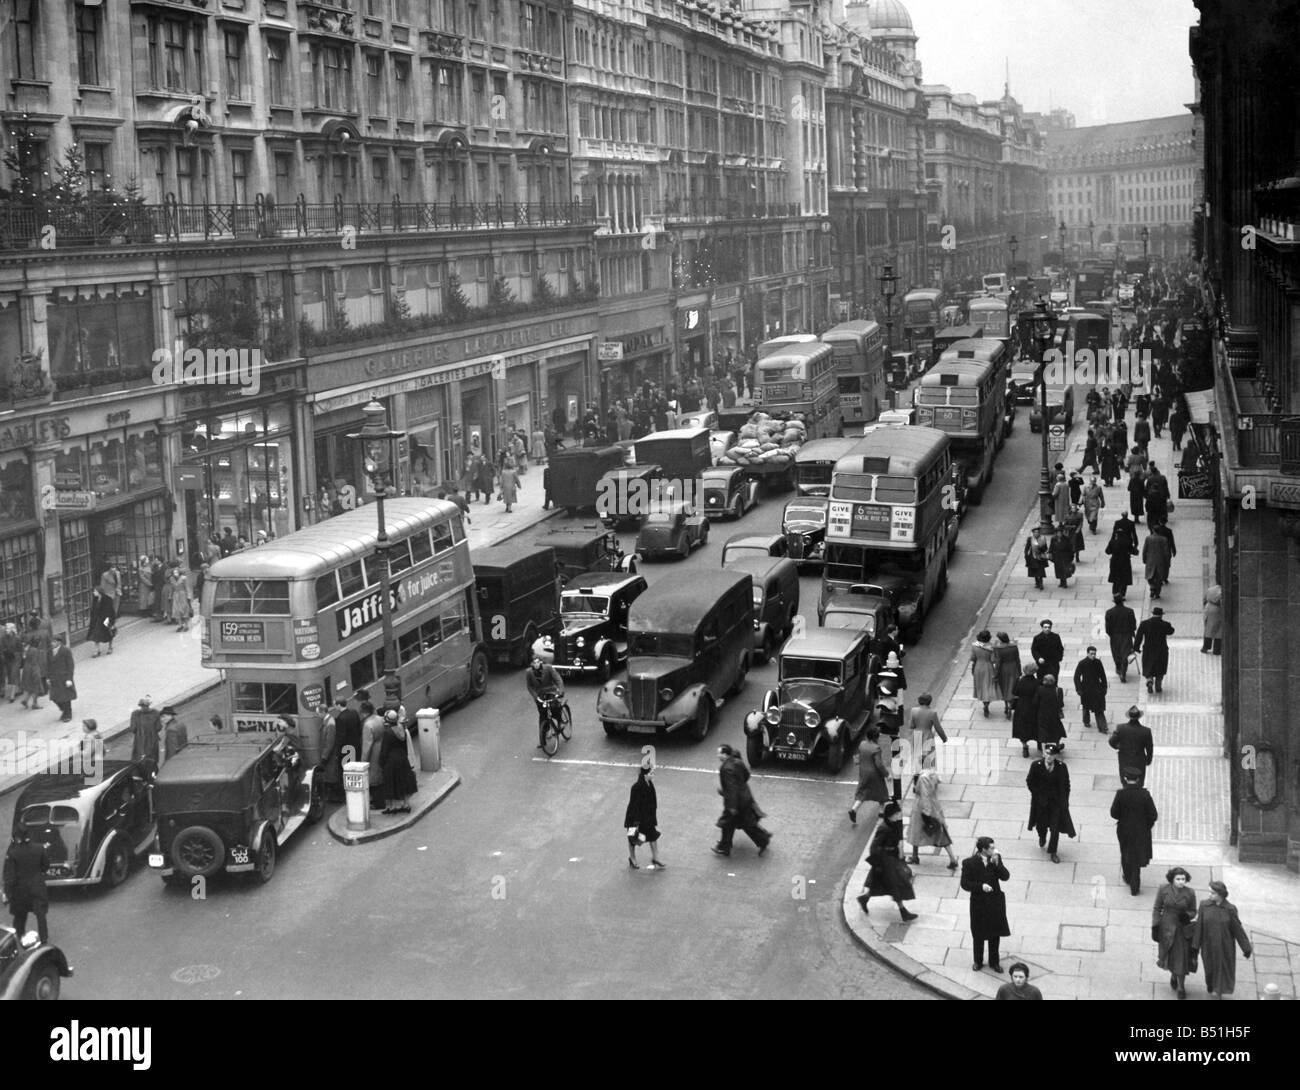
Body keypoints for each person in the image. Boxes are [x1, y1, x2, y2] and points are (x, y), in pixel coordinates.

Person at [855, 802, 917, 920]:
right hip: (885, 861)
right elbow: (874, 847)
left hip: (891, 859)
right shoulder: (884, 828)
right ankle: (903, 912)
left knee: (884, 885)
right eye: (897, 813)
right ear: (891, 815)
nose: (899, 815)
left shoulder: (893, 825)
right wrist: (878, 863)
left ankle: (864, 898)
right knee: (895, 885)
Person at [1192, 881, 1253, 999]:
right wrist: (1195, 947)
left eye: (1213, 893)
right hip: (1208, 945)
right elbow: (1199, 927)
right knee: (1209, 969)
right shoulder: (1204, 905)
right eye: (1210, 892)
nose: (1210, 895)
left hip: (1225, 947)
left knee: (1221, 970)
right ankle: (1211, 985)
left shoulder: (1230, 909)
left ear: (1221, 894)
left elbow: (1237, 929)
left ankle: (1218, 992)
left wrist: (1246, 948)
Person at [961, 836, 1011, 973]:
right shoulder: (969, 863)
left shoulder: (995, 859)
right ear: (983, 850)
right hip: (979, 903)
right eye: (992, 848)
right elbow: (965, 884)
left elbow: (1005, 876)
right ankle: (978, 961)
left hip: (994, 902)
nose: (994, 850)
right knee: (978, 933)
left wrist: (997, 864)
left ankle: (994, 962)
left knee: (995, 933)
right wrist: (981, 886)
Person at [713, 744, 771, 856]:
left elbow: (732, 789)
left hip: (736, 803)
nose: (718, 755)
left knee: (732, 824)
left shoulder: (726, 769)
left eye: (719, 753)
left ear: (725, 755)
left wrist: (732, 806)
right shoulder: (737, 761)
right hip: (744, 798)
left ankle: (763, 839)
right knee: (734, 824)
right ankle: (725, 846)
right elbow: (746, 775)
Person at [1152, 866, 1198, 999]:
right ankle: (1173, 974)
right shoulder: (1163, 889)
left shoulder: (1190, 893)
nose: (1181, 882)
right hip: (1166, 928)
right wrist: (1155, 926)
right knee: (1169, 955)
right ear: (1172, 879)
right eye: (1178, 879)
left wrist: (1188, 915)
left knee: (1181, 958)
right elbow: (1157, 908)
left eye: (1183, 879)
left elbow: (1193, 911)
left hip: (1181, 930)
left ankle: (1181, 987)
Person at [1111, 768, 1158, 895]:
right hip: (1141, 831)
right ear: (1138, 780)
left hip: (1124, 830)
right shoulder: (1145, 795)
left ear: (1126, 779)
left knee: (1125, 851)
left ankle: (1127, 876)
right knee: (1137, 856)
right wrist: (1147, 825)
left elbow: (1113, 813)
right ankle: (1135, 885)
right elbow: (1153, 815)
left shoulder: (1121, 794)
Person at [1026, 743, 1075, 863]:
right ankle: (1042, 836)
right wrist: (1037, 794)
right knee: (1041, 825)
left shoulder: (1062, 767)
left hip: (1056, 803)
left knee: (1055, 829)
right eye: (1047, 753)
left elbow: (1066, 785)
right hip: (1041, 803)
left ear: (1056, 756)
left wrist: (1065, 800)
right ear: (1044, 753)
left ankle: (1053, 851)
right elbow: (1030, 782)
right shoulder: (1036, 765)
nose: (1049, 756)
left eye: (1052, 754)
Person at [2, 827, 50, 944]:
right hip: (37, 886)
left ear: (17, 837)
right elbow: (46, 866)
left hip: (20, 890)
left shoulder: (13, 853)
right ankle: (44, 938)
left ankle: (19, 937)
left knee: (20, 915)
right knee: (40, 914)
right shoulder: (39, 848)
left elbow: (10, 877)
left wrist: (7, 893)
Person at [907, 768, 958, 870]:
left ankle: (915, 856)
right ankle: (952, 858)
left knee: (915, 832)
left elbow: (924, 796)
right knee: (941, 832)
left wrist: (926, 813)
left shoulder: (922, 778)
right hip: (935, 805)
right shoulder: (933, 774)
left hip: (921, 808)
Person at [624, 754, 664, 870]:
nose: (653, 775)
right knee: (633, 840)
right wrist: (635, 823)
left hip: (648, 818)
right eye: (651, 773)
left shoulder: (649, 784)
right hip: (637, 819)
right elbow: (633, 806)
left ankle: (656, 857)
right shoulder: (636, 788)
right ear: (645, 775)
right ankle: (632, 858)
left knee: (653, 836)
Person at [848, 724, 889, 828]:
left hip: (863, 773)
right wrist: (887, 774)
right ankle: (881, 813)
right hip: (874, 774)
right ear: (876, 737)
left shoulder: (862, 744)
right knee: (881, 792)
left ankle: (854, 809)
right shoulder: (876, 748)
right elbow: (879, 764)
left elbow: (859, 756)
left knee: (862, 792)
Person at [379, 710, 417, 814]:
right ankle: (406, 804)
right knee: (403, 782)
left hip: (391, 761)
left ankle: (392, 807)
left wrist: (381, 762)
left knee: (391, 783)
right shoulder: (402, 731)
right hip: (402, 759)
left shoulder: (388, 733)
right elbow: (404, 747)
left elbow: (384, 750)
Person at [525, 654, 566, 750]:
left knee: (555, 708)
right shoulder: (529, 673)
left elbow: (558, 679)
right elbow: (529, 686)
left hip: (551, 691)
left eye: (538, 662)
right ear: (532, 664)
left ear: (540, 662)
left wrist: (560, 691)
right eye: (534, 662)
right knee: (543, 716)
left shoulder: (548, 668)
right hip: (540, 695)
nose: (536, 664)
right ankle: (542, 741)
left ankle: (560, 722)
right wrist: (536, 697)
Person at [906, 693, 947, 782]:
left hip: (916, 736)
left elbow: (911, 725)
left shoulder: (913, 711)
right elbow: (938, 727)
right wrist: (944, 738)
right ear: (929, 702)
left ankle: (916, 779)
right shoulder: (932, 713)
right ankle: (928, 778)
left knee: (917, 758)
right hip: (928, 737)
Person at [1109, 705, 1154, 786]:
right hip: (1139, 761)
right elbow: (1149, 748)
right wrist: (1148, 760)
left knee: (1125, 781)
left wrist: (1119, 747)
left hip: (1124, 759)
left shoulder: (1120, 728)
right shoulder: (1146, 731)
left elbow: (1111, 742)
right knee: (1139, 782)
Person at [1134, 606, 1175, 694]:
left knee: (1149, 666)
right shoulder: (1165, 624)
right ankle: (1158, 686)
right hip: (1161, 650)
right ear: (1161, 615)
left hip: (1148, 650)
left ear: (1153, 614)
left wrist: (1136, 648)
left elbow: (1138, 637)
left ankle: (1149, 680)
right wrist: (1168, 625)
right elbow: (1171, 631)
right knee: (1160, 668)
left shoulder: (1144, 624)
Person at [1072, 645, 1109, 734]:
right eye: (1091, 654)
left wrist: (1104, 687)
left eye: (1094, 654)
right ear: (1087, 653)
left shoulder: (1098, 663)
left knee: (1099, 709)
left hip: (1097, 689)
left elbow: (1103, 676)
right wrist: (1079, 689)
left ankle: (1103, 727)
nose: (1093, 655)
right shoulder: (1082, 663)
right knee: (1085, 707)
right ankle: (1086, 721)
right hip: (1086, 689)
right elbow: (1076, 677)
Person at [1105, 593, 1138, 682]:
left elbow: (1108, 628)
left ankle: (1118, 667)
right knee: (1126, 654)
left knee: (1116, 652)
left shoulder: (1109, 612)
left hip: (1115, 636)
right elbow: (1133, 625)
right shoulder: (1129, 611)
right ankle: (1123, 672)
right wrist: (1132, 632)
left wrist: (1111, 635)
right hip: (1126, 635)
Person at [1106, 514, 1139, 599]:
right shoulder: (1127, 542)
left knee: (1115, 577)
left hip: (1115, 561)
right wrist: (1135, 549)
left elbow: (1107, 551)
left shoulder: (1112, 542)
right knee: (1124, 578)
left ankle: (1115, 593)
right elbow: (1134, 552)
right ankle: (1122, 594)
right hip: (1125, 561)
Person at [1011, 663, 1040, 758]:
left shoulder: (1020, 681)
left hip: (1021, 706)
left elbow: (1014, 692)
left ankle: (1024, 747)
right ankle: (1039, 744)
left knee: (1022, 727)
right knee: (1035, 726)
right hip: (1034, 707)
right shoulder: (1037, 682)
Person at [318, 700, 343, 803]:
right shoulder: (328, 721)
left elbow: (330, 743)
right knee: (330, 777)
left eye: (318, 713)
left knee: (333, 777)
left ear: (323, 712)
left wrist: (324, 757)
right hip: (330, 756)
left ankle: (337, 797)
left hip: (331, 756)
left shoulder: (330, 724)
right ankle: (334, 796)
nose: (318, 715)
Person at [47, 634, 76, 723]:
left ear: (59, 642)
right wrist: (48, 677)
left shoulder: (65, 650)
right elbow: (48, 665)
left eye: (54, 641)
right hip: (54, 678)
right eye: (51, 641)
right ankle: (63, 709)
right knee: (54, 697)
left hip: (64, 677)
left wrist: (69, 678)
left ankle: (68, 713)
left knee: (66, 697)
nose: (52, 643)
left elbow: (70, 665)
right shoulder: (49, 652)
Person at [969, 631, 998, 718]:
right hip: (988, 668)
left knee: (980, 686)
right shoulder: (991, 647)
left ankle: (984, 702)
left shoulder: (974, 646)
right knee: (988, 686)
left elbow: (972, 658)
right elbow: (993, 660)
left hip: (978, 667)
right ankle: (987, 703)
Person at [993, 633, 1022, 720]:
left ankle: (1006, 705)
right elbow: (1017, 659)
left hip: (1004, 669)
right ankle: (1010, 705)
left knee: (1004, 687)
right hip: (1013, 668)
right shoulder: (1014, 647)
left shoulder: (999, 649)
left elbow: (998, 663)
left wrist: (995, 674)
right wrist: (1019, 670)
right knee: (1012, 687)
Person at [129, 696, 162, 766]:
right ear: (149, 705)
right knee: (153, 757)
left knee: (139, 757)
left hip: (140, 739)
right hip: (153, 739)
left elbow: (133, 729)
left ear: (140, 706)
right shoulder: (155, 712)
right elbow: (159, 727)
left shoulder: (135, 714)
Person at [16, 637, 47, 710]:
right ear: (38, 643)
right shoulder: (36, 651)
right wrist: (37, 673)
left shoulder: (28, 649)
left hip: (26, 670)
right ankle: (34, 704)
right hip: (33, 670)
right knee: (36, 687)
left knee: (30, 687)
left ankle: (25, 700)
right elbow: (35, 663)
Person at [1142, 528, 1172, 600]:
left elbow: (1144, 550)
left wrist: (1144, 559)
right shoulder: (1164, 539)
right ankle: (1157, 592)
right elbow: (1166, 552)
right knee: (1159, 577)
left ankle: (1152, 587)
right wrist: (1167, 561)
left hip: (1150, 560)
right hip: (1160, 560)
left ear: (1153, 530)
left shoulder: (1148, 538)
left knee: (1149, 576)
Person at [1, 622, 21, 702]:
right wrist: (5, 652)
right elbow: (2, 647)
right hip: (8, 659)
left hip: (15, 658)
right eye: (6, 628)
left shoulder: (17, 638)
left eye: (8, 628)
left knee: (13, 675)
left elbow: (20, 650)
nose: (6, 630)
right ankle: (18, 689)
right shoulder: (3, 638)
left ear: (12, 629)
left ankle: (12, 695)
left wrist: (17, 656)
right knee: (11, 676)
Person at [1202, 584, 1223, 655]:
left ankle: (1205, 647)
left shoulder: (1210, 589)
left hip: (1208, 608)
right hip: (1218, 610)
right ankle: (1217, 649)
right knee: (1219, 631)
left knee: (1208, 629)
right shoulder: (1222, 591)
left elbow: (1204, 599)